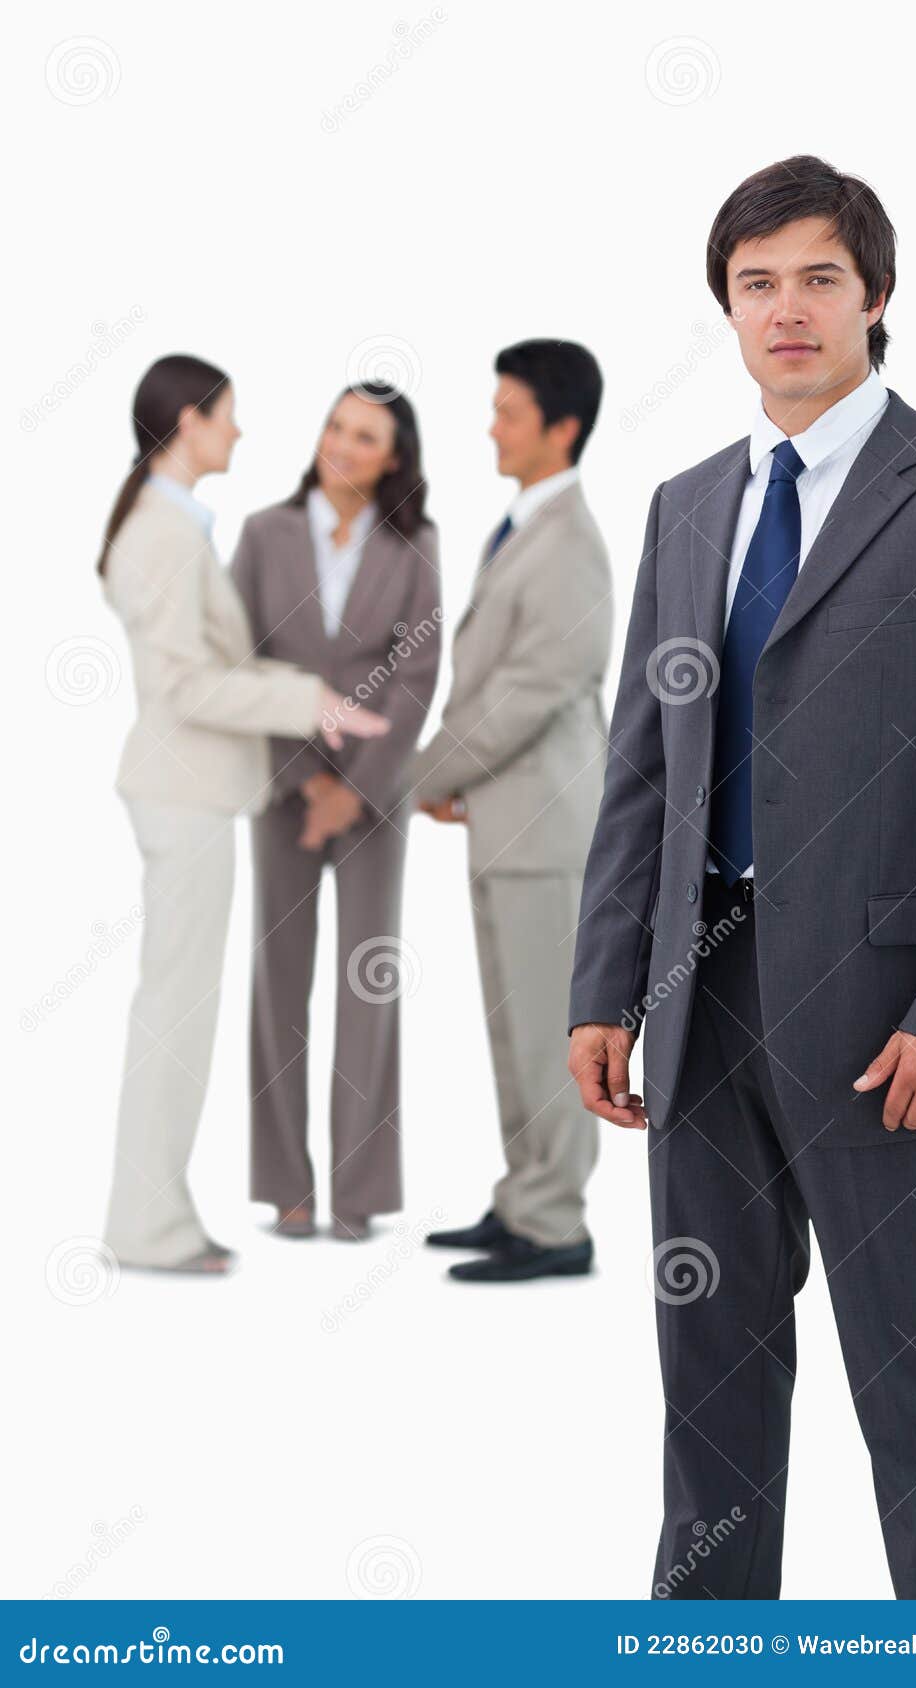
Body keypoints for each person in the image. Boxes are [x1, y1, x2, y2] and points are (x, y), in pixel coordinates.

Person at [567, 156, 916, 1598]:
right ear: (725, 309)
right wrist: (605, 984)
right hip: (699, 992)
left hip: (887, 1018)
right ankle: (704, 1634)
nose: (785, 309)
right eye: (754, 283)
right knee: (707, 1357)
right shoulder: (681, 506)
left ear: (875, 295)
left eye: (815, 278)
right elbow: (641, 773)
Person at [99, 354, 388, 1275]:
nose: (239, 431)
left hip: (193, 795)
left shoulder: (173, 523)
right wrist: (308, 703)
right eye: (226, 416)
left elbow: (210, 668)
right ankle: (147, 1227)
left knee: (177, 1007)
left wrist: (318, 700)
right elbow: (186, 686)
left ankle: (153, 1214)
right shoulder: (161, 533)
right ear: (188, 422)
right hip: (183, 794)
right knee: (174, 1014)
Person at [409, 341, 612, 1282]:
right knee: (512, 1030)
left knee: (543, 1034)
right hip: (506, 822)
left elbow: (529, 691)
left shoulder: (569, 542)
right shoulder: (521, 526)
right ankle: (522, 1197)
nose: (491, 426)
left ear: (560, 427)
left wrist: (425, 773)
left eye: (507, 412)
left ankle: (554, 1224)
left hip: (544, 831)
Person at [231, 384, 440, 1241]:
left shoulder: (415, 543)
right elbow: (238, 661)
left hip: (373, 794)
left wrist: (349, 786)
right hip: (282, 791)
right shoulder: (264, 533)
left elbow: (416, 673)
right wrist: (301, 780)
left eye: (364, 436)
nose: (342, 446)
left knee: (368, 985)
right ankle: (287, 1186)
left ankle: (356, 1192)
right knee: (277, 982)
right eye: (334, 428)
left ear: (393, 455)